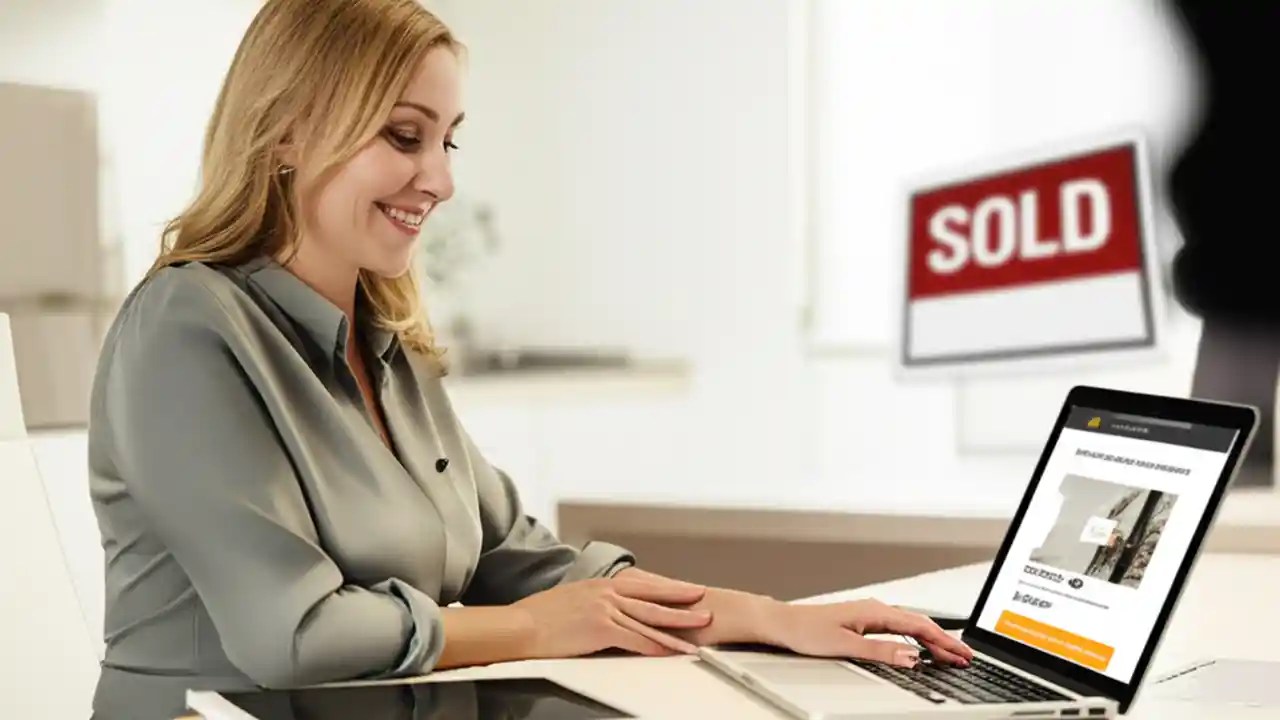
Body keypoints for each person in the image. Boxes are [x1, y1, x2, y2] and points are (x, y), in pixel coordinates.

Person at [86, 1, 971, 717]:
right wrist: (528, 630)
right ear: (283, 134)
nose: (440, 178)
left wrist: (773, 620)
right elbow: (292, 636)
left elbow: (528, 559)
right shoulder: (186, 326)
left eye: (448, 139)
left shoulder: (385, 341)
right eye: (403, 136)